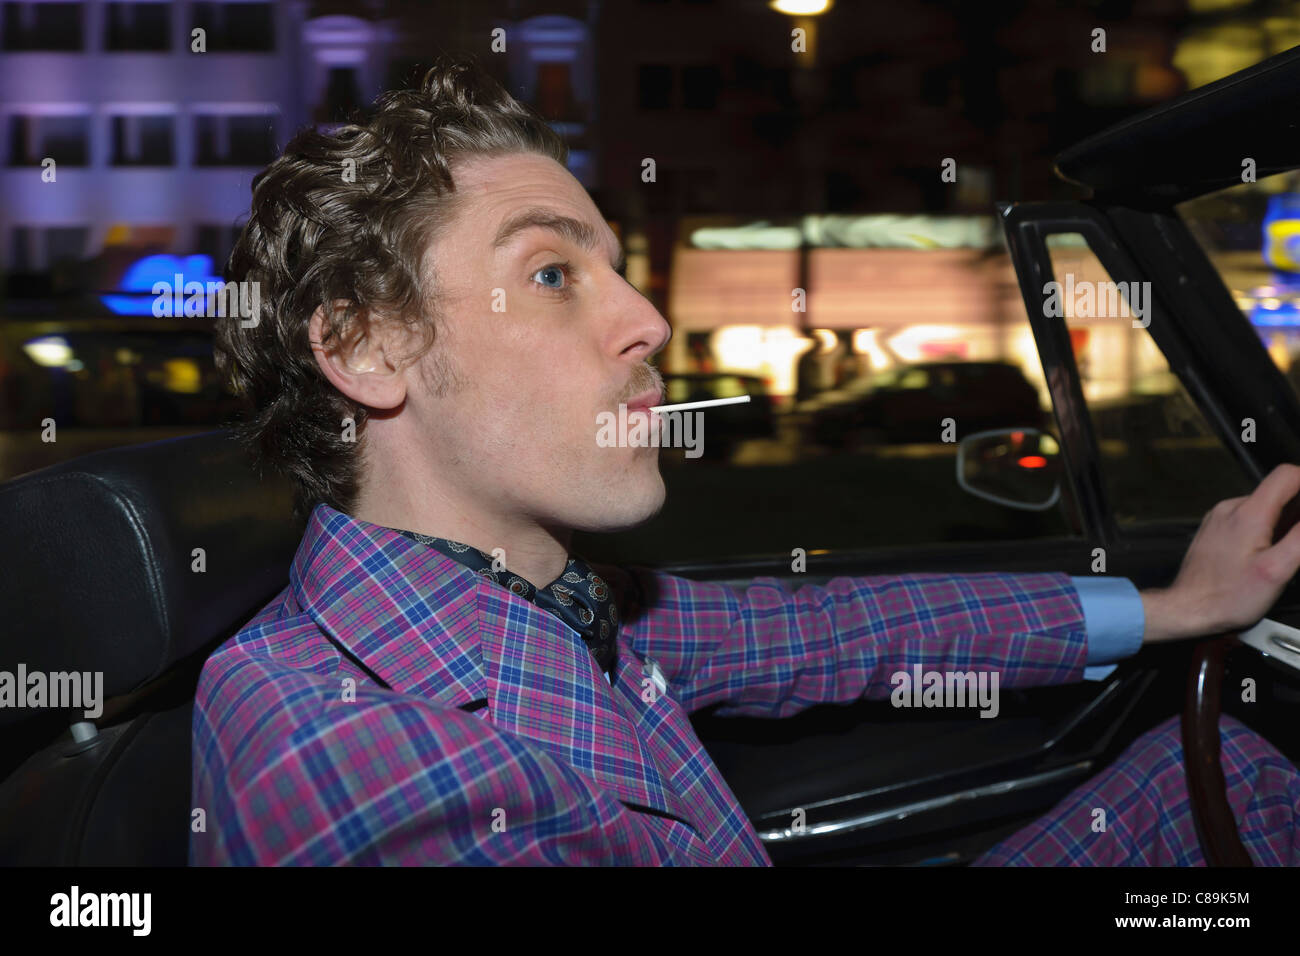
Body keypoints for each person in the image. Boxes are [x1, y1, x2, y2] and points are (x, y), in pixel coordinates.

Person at [191, 58, 1300, 866]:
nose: (647, 320)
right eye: (549, 275)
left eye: (616, 269)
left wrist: (1170, 606)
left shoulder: (549, 606)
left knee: (1233, 775)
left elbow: (846, 631)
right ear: (365, 345)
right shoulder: (348, 751)